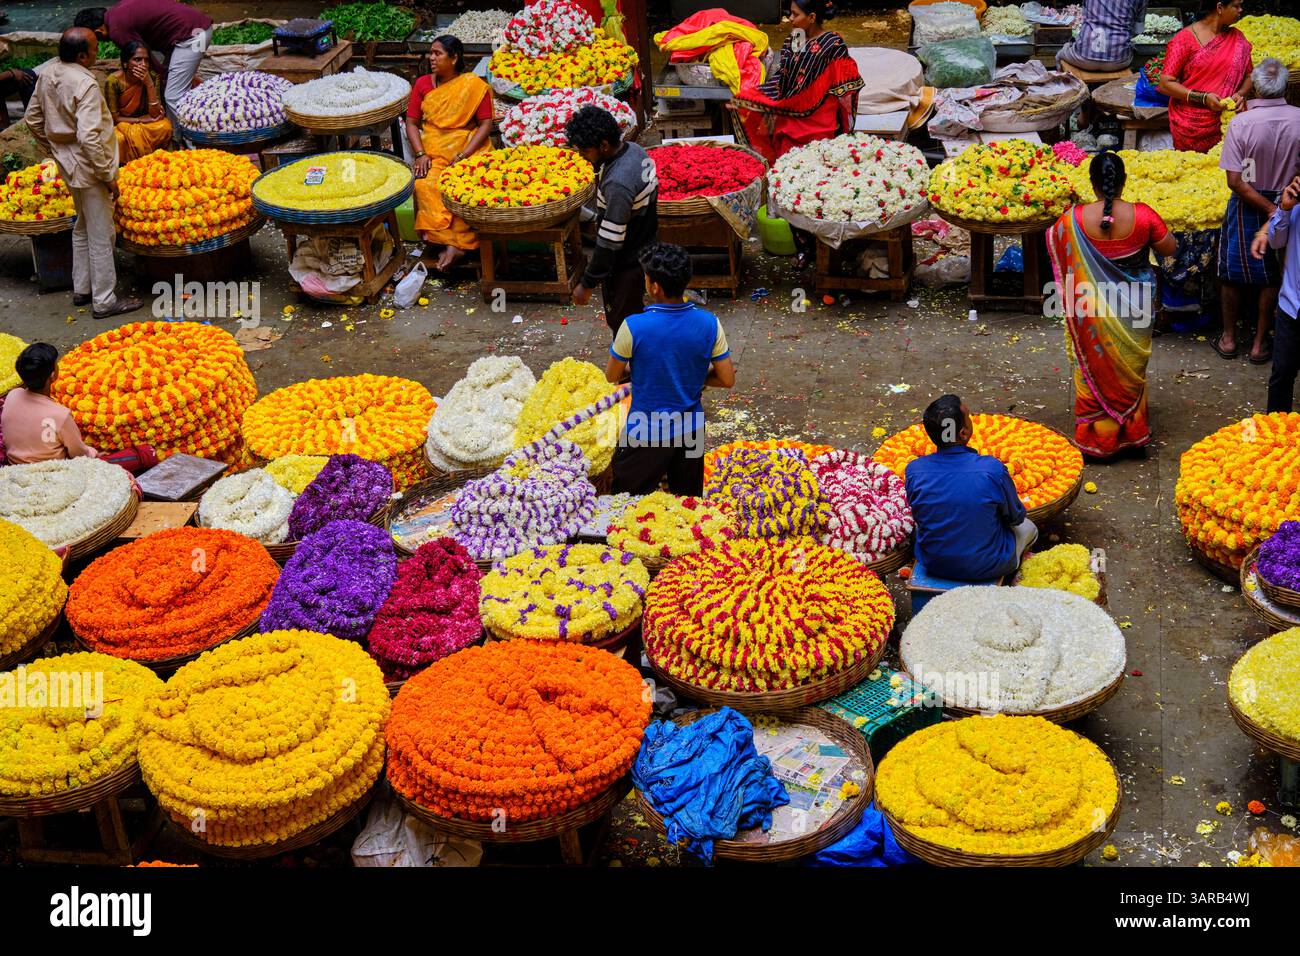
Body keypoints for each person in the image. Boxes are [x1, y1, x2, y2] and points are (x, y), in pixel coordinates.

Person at [1046, 152, 1176, 459]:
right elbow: (1170, 248)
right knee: (1130, 368)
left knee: (1092, 364)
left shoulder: (1071, 220)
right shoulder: (1143, 215)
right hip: (1137, 306)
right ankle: (1131, 433)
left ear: (1092, 183)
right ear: (1124, 181)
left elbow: (1054, 244)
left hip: (1090, 307)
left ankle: (1098, 440)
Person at [732, 0, 862, 269]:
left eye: (795, 14)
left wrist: (841, 122)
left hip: (821, 126)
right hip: (790, 122)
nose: (789, 19)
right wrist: (753, 100)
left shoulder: (832, 44)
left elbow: (846, 83)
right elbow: (780, 79)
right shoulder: (796, 40)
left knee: (821, 189)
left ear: (812, 17)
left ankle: (829, 248)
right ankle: (804, 248)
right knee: (791, 188)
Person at [25, 28, 140, 319]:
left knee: (82, 225)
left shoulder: (49, 72)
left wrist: (54, 149)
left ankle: (82, 288)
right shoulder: (85, 84)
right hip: (89, 167)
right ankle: (104, 300)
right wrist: (107, 175)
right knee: (102, 233)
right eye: (94, 47)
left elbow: (32, 119)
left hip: (68, 163)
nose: (98, 51)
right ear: (81, 55)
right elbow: (89, 137)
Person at [605, 242, 734, 496]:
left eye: (646, 278)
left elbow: (612, 376)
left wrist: (643, 374)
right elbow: (727, 379)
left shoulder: (633, 327)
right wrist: (694, 379)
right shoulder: (710, 323)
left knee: (624, 501)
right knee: (688, 505)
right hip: (691, 429)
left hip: (645, 430)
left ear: (654, 287)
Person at [1214, 57, 1300, 364]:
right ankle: (1260, 344)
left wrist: (1267, 208)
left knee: (1231, 271)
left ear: (1258, 87)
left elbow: (1235, 181)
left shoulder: (1241, 123)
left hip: (1249, 199)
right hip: (1289, 200)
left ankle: (1228, 338)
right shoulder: (1299, 118)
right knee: (1273, 272)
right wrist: (1279, 208)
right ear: (1285, 88)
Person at [904, 395, 1039, 582]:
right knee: (1028, 527)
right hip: (987, 565)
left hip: (934, 563)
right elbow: (1015, 517)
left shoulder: (914, 470)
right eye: (968, 417)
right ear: (963, 433)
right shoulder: (992, 469)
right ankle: (1013, 575)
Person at [567, 105, 657, 337]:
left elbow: (609, 243)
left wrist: (587, 283)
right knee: (635, 318)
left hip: (628, 261)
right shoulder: (634, 150)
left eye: (585, 152)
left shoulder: (618, 182)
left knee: (625, 325)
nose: (583, 158)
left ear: (603, 145)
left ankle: (630, 370)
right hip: (646, 244)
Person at [405, 36, 493, 273]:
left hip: (467, 148)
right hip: (433, 150)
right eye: (430, 53)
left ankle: (459, 244)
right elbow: (411, 123)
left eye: (438, 54)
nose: (431, 58)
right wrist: (421, 154)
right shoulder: (422, 84)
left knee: (466, 187)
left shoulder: (473, 85)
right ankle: (448, 243)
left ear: (454, 58)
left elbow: (485, 124)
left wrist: (465, 154)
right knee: (425, 185)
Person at [0, 343, 155, 473]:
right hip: (55, 477)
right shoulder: (59, 415)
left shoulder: (12, 396)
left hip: (17, 471)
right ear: (52, 376)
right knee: (146, 454)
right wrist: (95, 452)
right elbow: (79, 455)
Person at [75, 2, 212, 141]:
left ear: (98, 32)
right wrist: (178, 73)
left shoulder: (117, 29)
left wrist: (158, 77)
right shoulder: (116, 14)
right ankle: (181, 132)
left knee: (173, 95)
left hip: (193, 36)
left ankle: (193, 138)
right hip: (195, 29)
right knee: (173, 83)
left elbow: (145, 59)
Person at [1159, 0, 1252, 153]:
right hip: (1191, 126)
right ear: (1220, 7)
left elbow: (1250, 75)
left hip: (1229, 121)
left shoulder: (1237, 37)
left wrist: (1240, 95)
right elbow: (1165, 83)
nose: (1240, 10)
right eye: (1236, 6)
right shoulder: (1183, 40)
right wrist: (1203, 98)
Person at [1253, 170, 1300, 412]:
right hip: (1292, 305)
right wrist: (1284, 208)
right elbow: (1276, 242)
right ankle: (1274, 437)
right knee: (1282, 374)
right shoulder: (1294, 207)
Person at [104, 40, 172, 164]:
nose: (143, 64)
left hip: (147, 124)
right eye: (137, 60)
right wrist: (142, 120)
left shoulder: (152, 76)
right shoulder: (113, 81)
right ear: (125, 63)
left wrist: (149, 84)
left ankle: (154, 160)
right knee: (118, 139)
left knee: (165, 127)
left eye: (146, 60)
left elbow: (156, 114)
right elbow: (114, 118)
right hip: (122, 125)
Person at [1057, 0, 1147, 73]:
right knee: (1133, 52)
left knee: (1061, 53)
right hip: (1119, 61)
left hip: (1082, 58)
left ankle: (1062, 86)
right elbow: (1137, 30)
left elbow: (1085, 14)